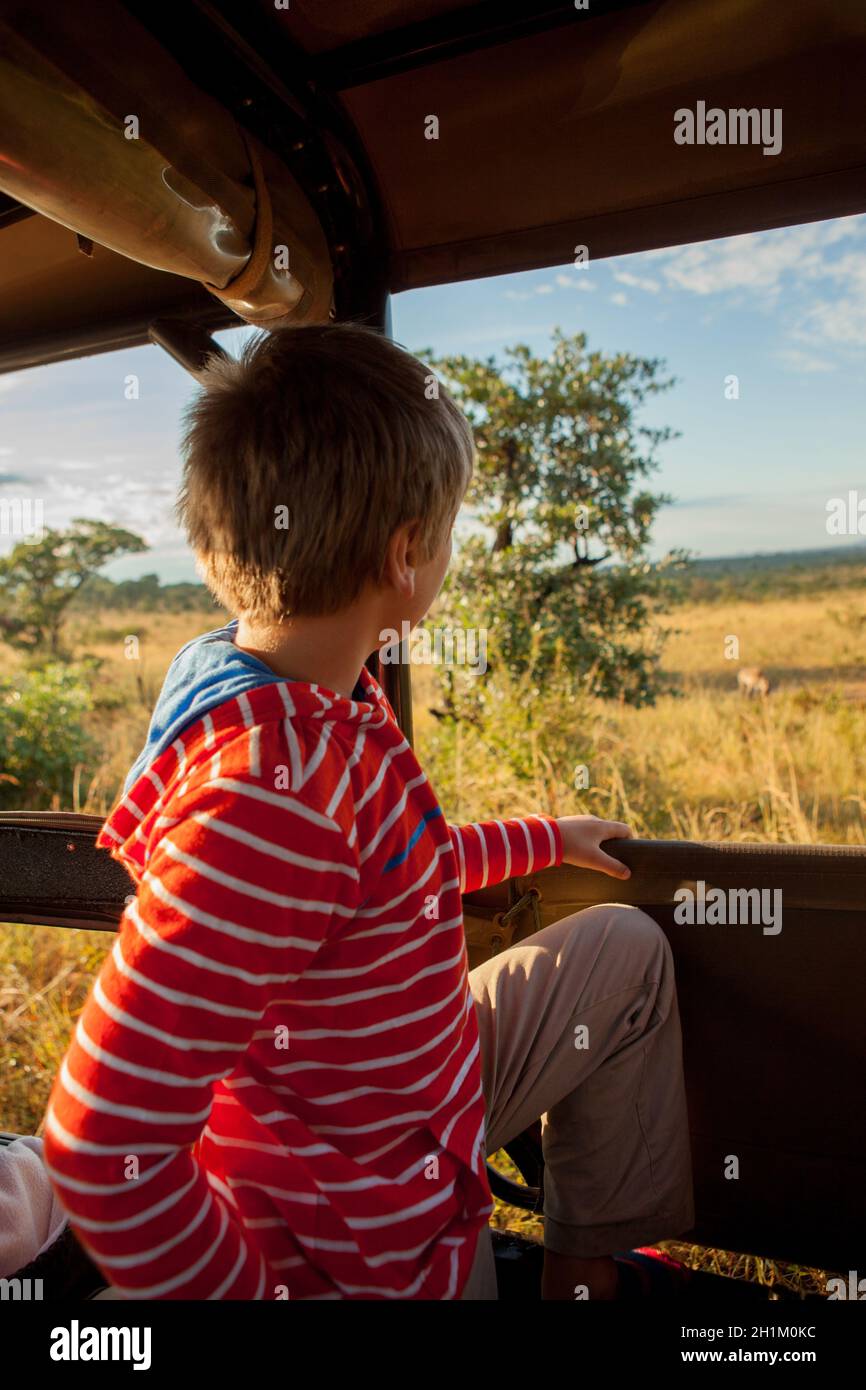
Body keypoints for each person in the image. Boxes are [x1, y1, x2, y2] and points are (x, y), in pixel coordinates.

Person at [41, 323, 694, 1300]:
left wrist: (541, 839)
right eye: (445, 530)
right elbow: (102, 1141)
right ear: (404, 555)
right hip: (365, 1224)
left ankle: (580, 1261)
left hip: (412, 1075)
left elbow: (391, 860)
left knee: (621, 951)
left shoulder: (304, 682)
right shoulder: (270, 790)